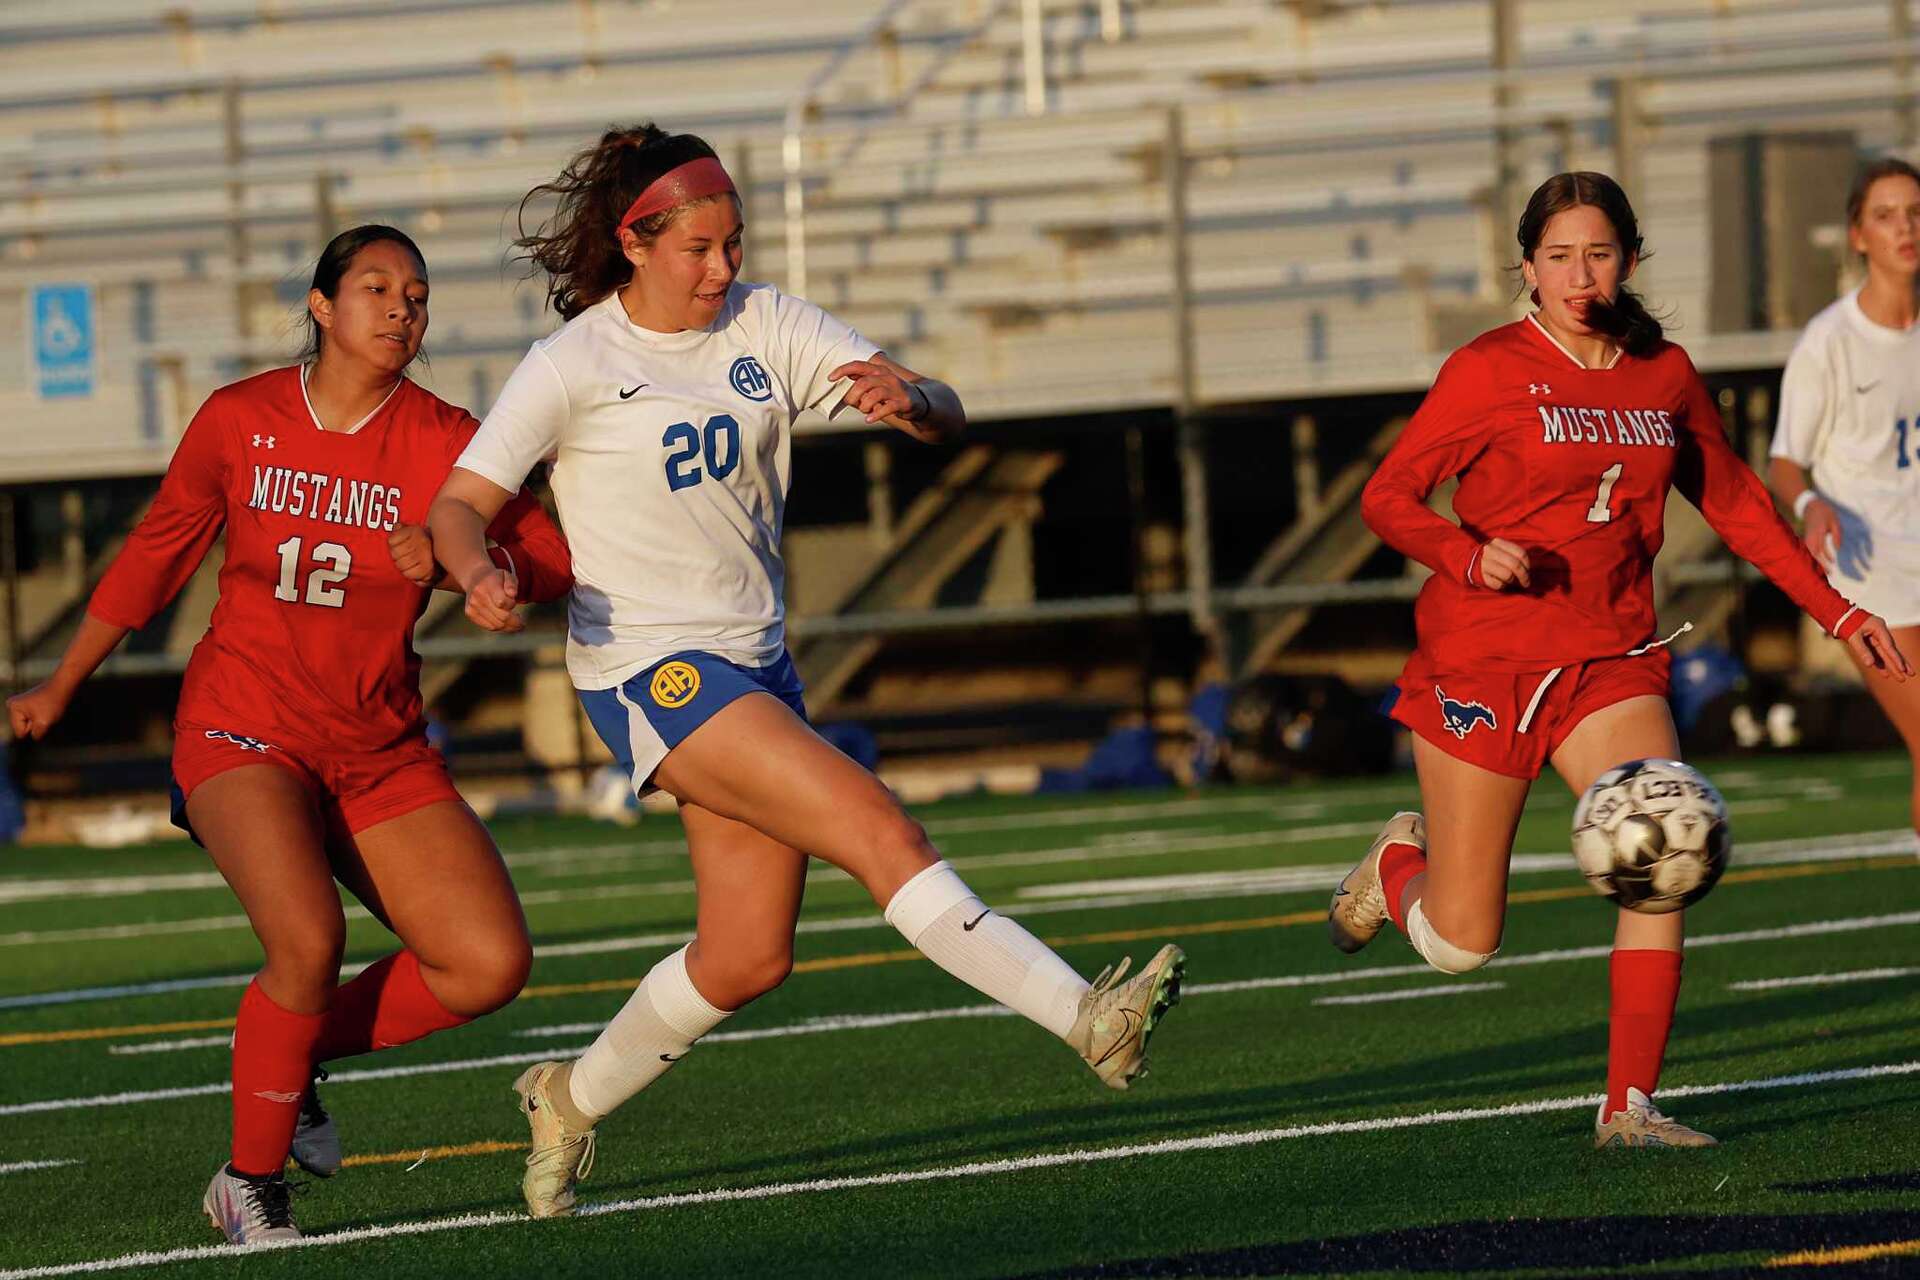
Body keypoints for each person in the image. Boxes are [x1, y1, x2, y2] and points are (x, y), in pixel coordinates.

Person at [424, 124, 1186, 1219]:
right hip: (649, 668)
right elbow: (461, 503)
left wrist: (911, 397)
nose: (723, 268)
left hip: (754, 664)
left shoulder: (767, 322)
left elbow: (941, 404)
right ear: (635, 243)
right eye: (698, 248)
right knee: (881, 828)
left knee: (744, 955)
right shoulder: (574, 364)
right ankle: (1085, 1016)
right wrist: (476, 571)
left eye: (733, 243)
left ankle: (567, 1096)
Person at [6, 225, 573, 1245]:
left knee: (487, 962)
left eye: (417, 292)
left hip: (377, 744)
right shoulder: (241, 417)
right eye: (376, 287)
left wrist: (476, 568)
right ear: (321, 305)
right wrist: (61, 681)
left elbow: (547, 556)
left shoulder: (448, 436)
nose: (403, 308)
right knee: (307, 939)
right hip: (242, 722)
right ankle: (249, 1180)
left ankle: (293, 1055)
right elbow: (156, 552)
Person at [1330, 171, 1909, 1150]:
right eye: (1558, 256)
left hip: (1612, 657)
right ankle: (1396, 864)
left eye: (1598, 252)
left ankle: (1627, 1105)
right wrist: (1467, 552)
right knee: (1465, 942)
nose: (1579, 272)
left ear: (1630, 258)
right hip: (1485, 659)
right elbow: (1388, 496)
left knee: (1665, 848)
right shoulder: (1488, 368)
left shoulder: (1665, 374)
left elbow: (1736, 506)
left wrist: (1839, 609)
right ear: (1527, 268)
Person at [1769, 157, 1920, 848]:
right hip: (1874, 574)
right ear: (1858, 235)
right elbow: (1783, 463)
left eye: (1914, 212)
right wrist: (1810, 507)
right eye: (1886, 215)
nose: (1905, 228)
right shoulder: (1829, 341)